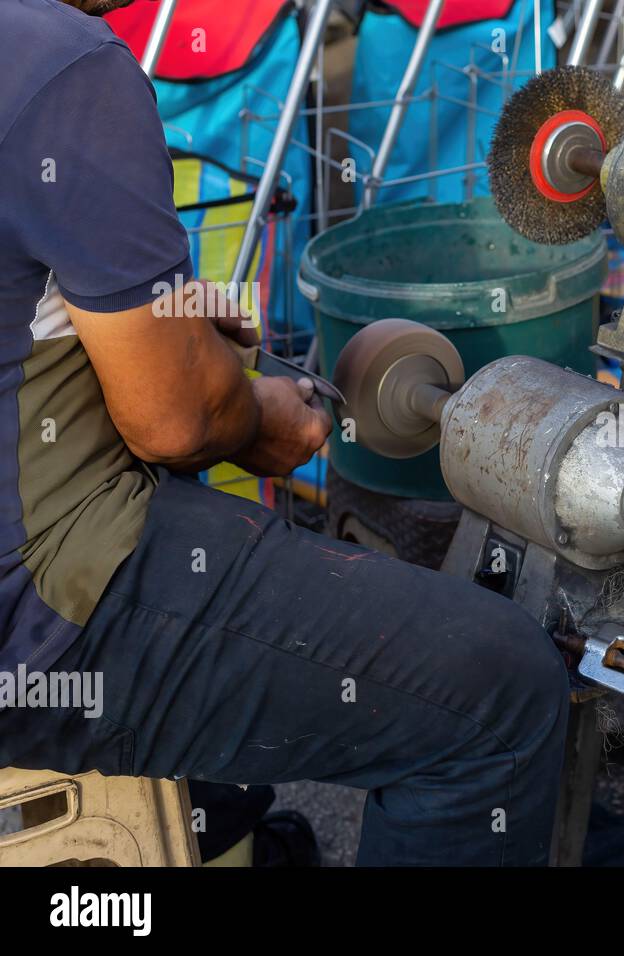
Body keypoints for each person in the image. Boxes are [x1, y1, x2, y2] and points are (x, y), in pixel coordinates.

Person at [0, 0, 569, 866]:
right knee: (498, 689)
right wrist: (248, 415)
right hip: (33, 624)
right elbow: (174, 422)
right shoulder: (59, 62)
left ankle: (222, 828)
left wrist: (178, 344)